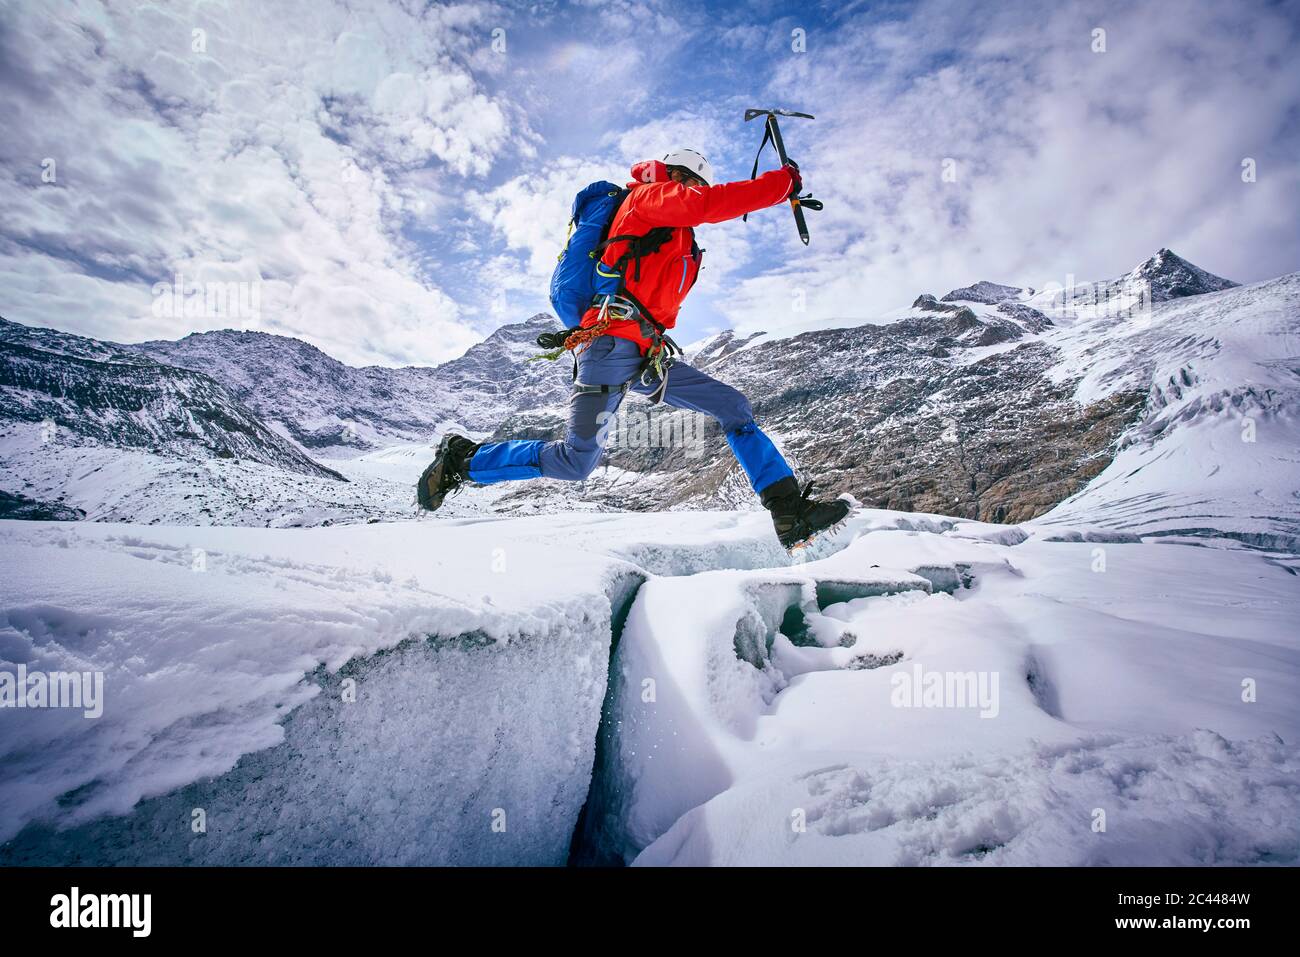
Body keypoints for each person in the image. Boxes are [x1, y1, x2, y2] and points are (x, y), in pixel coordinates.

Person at [417, 148, 850, 549]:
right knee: (576, 462)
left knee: (733, 407)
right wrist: (781, 185)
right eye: (692, 183)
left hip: (647, 354)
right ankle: (464, 460)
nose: (695, 192)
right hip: (609, 345)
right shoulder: (648, 200)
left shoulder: (677, 231)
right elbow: (706, 204)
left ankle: (789, 512)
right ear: (679, 177)